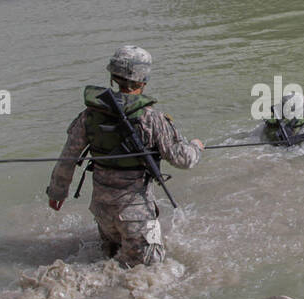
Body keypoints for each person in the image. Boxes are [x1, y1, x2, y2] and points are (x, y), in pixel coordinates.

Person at [46, 46, 202, 267]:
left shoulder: (89, 115)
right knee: (149, 273)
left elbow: (68, 159)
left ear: (113, 76)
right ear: (143, 80)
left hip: (102, 213)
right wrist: (196, 147)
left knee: (109, 266)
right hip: (135, 216)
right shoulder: (152, 119)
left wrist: (57, 192)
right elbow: (183, 159)